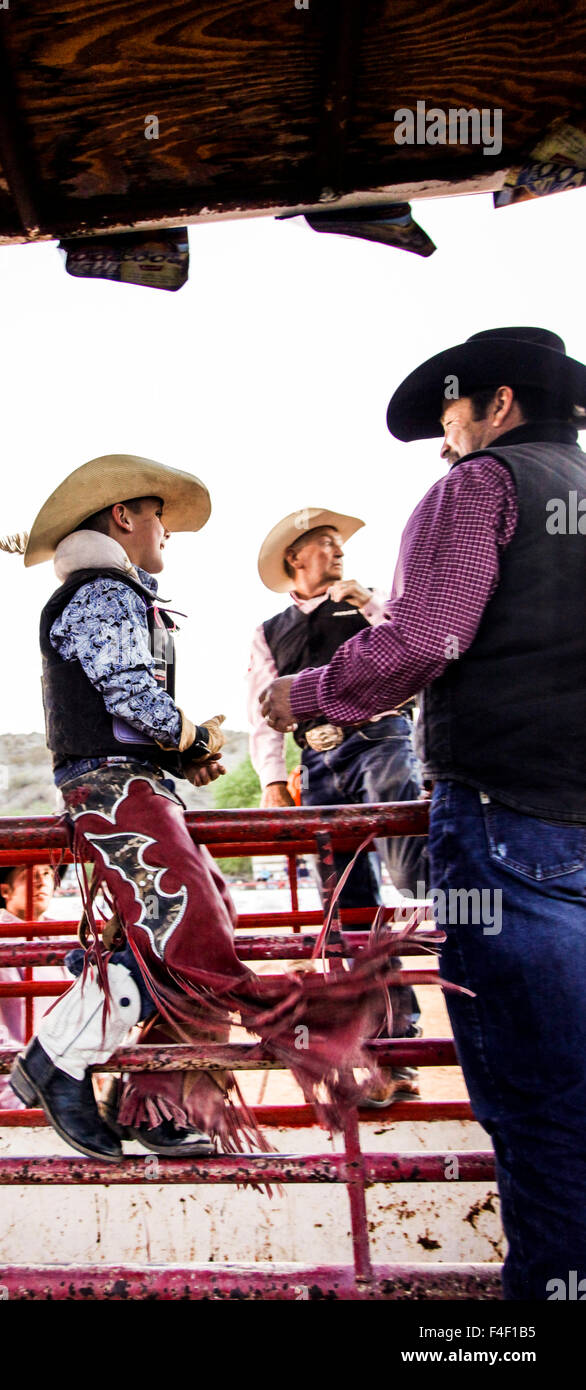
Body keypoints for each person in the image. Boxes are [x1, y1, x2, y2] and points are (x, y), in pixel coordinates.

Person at [260, 327, 586, 1300]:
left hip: (506, 814)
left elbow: (425, 636)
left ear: (492, 404)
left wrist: (305, 697)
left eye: (450, 418)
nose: (445, 441)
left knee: (541, 1095)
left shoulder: (479, 485)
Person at [2, 454, 400, 1163]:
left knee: (190, 919)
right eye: (159, 517)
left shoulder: (111, 592)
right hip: (118, 789)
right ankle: (59, 1059)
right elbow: (128, 693)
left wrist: (180, 753)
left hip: (123, 784)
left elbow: (119, 705)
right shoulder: (106, 592)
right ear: (124, 516)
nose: (166, 534)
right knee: (190, 926)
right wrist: (192, 737)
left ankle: (158, 1098)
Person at [248, 508, 427, 1104]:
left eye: (338, 543)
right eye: (325, 544)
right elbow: (262, 712)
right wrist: (273, 782)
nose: (338, 551)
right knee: (350, 909)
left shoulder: (369, 604)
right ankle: (390, 1055)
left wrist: (369, 601)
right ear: (295, 559)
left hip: (380, 738)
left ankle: (460, 915)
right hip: (320, 759)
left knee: (406, 870)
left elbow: (416, 643)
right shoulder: (269, 631)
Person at [0, 863, 68, 1109]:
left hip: (68, 1089)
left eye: (46, 873)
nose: (42, 881)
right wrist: (13, 1108)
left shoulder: (63, 939)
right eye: (29, 876)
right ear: (5, 891)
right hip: (35, 1097)